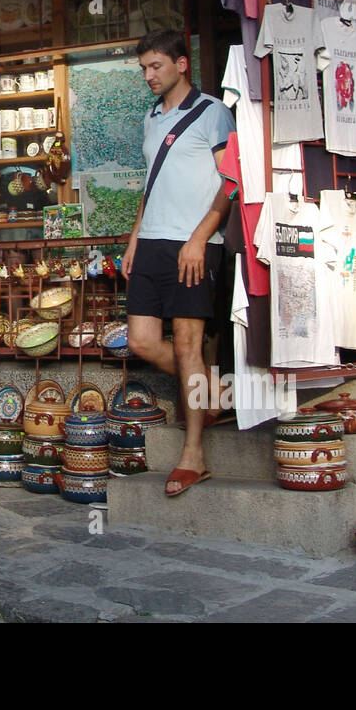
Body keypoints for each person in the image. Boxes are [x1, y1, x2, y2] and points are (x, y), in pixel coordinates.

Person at [122, 30, 236, 497]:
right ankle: (213, 392)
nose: (148, 76)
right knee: (143, 342)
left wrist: (200, 239)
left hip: (194, 244)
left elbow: (229, 184)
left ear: (182, 64)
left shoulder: (213, 112)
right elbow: (153, 184)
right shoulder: (151, 117)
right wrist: (133, 240)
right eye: (144, 68)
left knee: (189, 346)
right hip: (151, 243)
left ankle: (194, 455)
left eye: (156, 66)